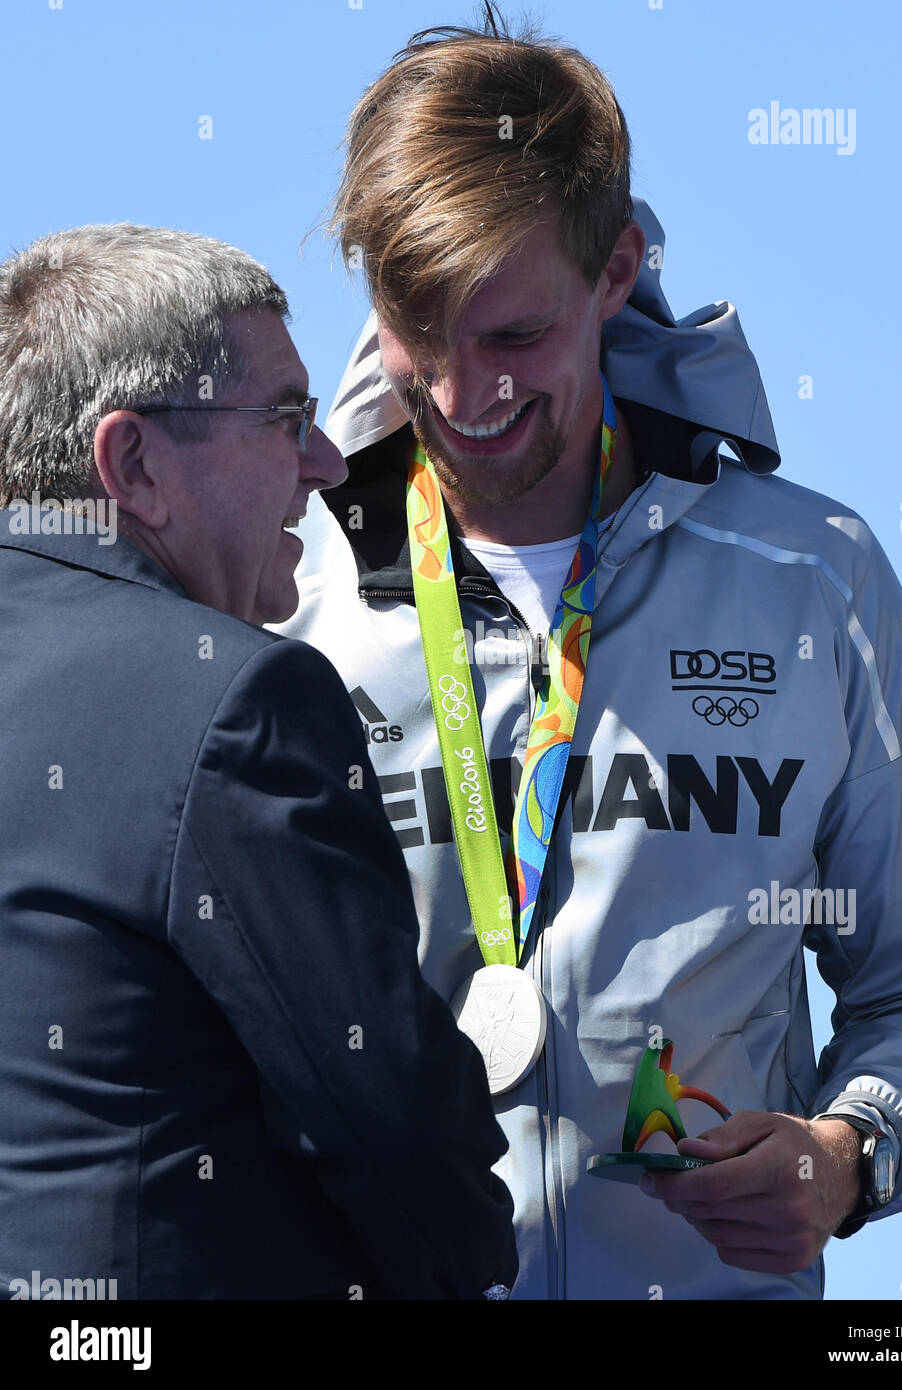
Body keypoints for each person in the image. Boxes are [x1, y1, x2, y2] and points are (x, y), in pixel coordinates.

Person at [279, 14, 902, 1299]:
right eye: (418, 332)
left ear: (616, 271)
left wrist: (847, 1156)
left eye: (511, 338)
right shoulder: (284, 589)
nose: (458, 397)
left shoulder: (814, 574)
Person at [0, 223, 517, 1300]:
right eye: (284, 418)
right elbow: (389, 1117)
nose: (327, 464)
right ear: (132, 462)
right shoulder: (233, 697)